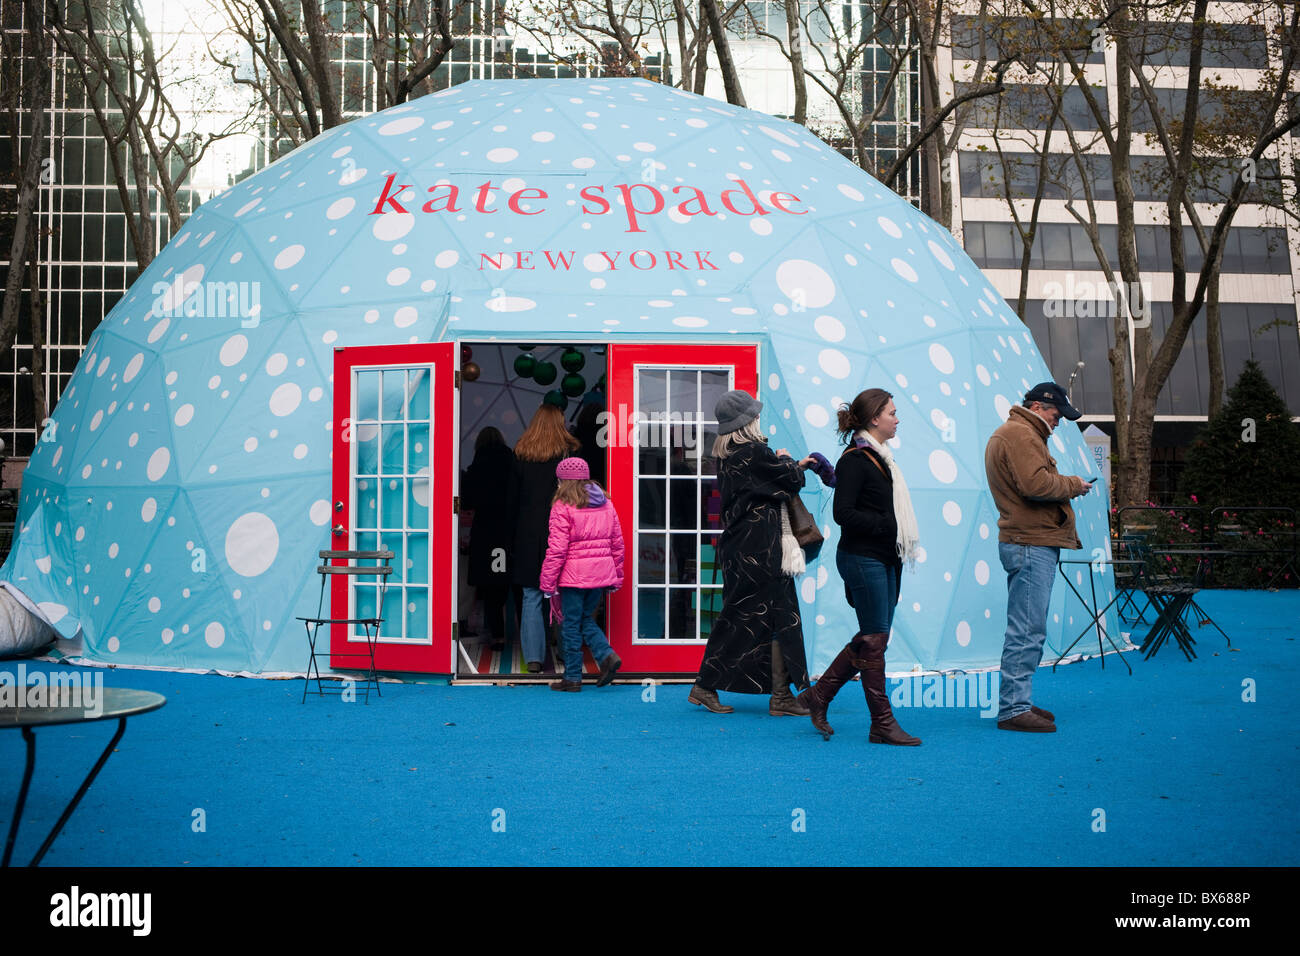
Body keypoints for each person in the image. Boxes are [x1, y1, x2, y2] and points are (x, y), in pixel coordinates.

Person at [796, 388, 922, 745]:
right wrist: (886, 525)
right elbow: (843, 513)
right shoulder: (856, 459)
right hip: (862, 558)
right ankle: (881, 722)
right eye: (892, 413)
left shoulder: (881, 459)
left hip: (885, 559)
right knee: (875, 640)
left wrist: (890, 530)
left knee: (872, 639)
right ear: (874, 419)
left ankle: (818, 697)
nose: (898, 419)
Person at [689, 389, 813, 716]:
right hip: (762, 549)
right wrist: (788, 460)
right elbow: (791, 478)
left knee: (747, 616)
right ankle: (776, 695)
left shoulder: (728, 455)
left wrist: (783, 463)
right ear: (750, 421)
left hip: (740, 548)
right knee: (775, 616)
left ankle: (778, 694)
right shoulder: (756, 451)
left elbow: (769, 481)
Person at [984, 382, 1093, 733]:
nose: (1059, 420)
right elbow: (1036, 486)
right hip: (1030, 542)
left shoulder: (1016, 433)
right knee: (1027, 628)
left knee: (1027, 626)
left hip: (1027, 541)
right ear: (1037, 406)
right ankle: (1014, 708)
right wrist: (1074, 484)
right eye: (1056, 413)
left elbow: (1032, 483)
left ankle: (1017, 701)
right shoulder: (1021, 436)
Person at [538, 457, 624, 691]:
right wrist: (617, 574)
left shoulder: (562, 506)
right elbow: (617, 542)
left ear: (562, 481)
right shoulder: (605, 502)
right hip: (600, 573)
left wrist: (547, 582)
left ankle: (573, 677)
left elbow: (557, 548)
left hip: (573, 576)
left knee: (571, 624)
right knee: (586, 619)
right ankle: (606, 655)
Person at [508, 404, 582, 673]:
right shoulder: (569, 454)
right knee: (563, 592)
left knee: (531, 596)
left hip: (527, 532)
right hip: (561, 529)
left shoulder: (520, 454)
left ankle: (535, 659)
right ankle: (565, 651)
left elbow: (511, 501)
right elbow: (578, 497)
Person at [462, 427, 515, 648]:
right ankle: (514, 635)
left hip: (484, 530)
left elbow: (466, 502)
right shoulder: (513, 464)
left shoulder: (476, 468)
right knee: (504, 582)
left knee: (488, 584)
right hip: (507, 529)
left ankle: (496, 634)